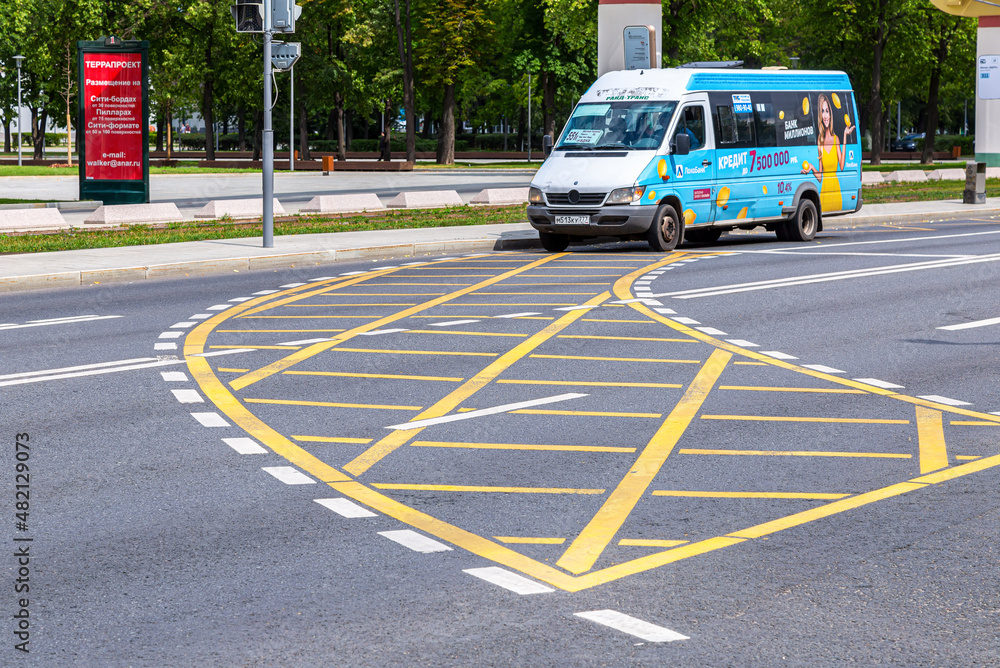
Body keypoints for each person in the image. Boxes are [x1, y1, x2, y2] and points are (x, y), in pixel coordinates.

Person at [802, 93, 854, 213]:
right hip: (824, 190)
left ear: (830, 114)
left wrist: (845, 136)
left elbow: (841, 166)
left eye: (827, 111)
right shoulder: (820, 142)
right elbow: (820, 177)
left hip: (836, 189)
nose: (825, 115)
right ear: (820, 116)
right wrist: (811, 167)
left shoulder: (836, 139)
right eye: (822, 111)